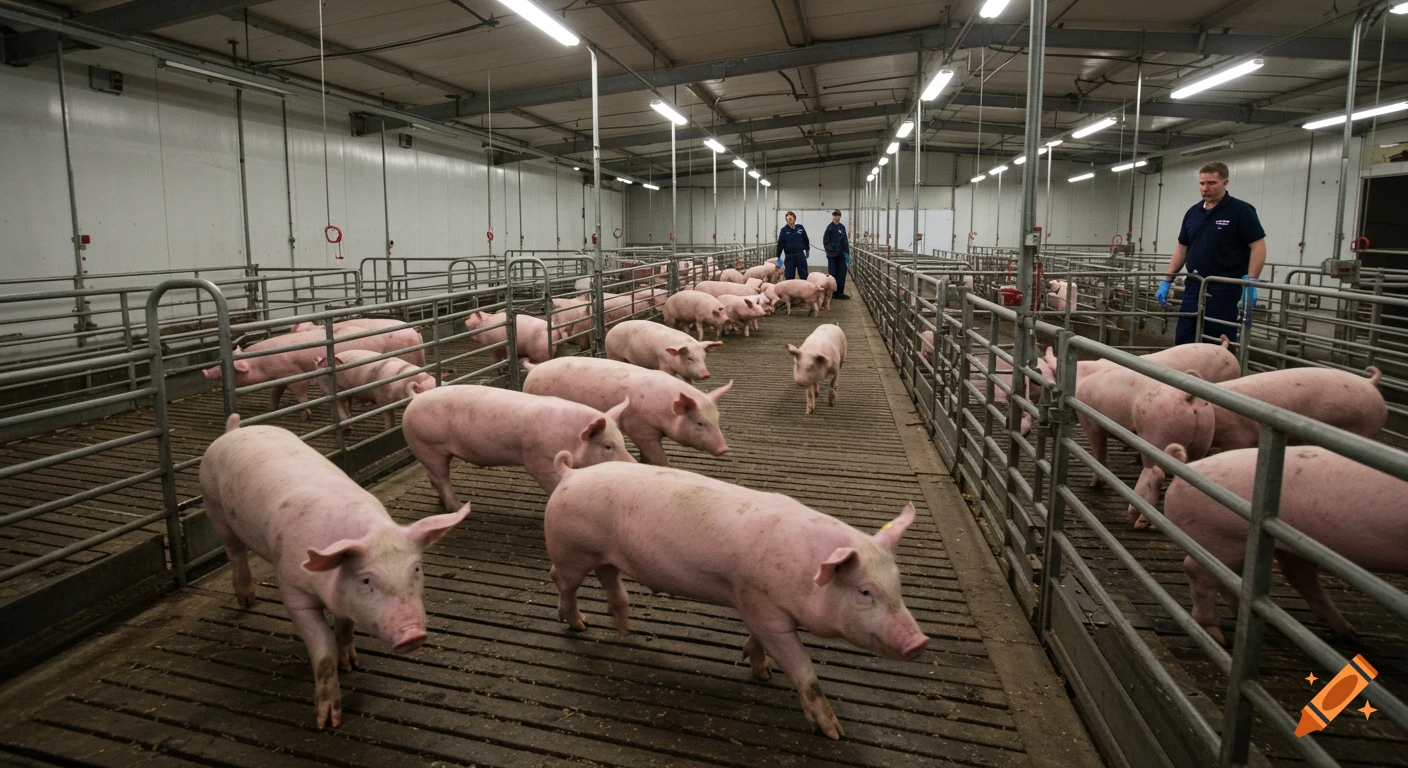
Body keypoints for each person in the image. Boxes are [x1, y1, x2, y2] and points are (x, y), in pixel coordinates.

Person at [1156, 161, 1266, 345]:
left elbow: (1258, 246)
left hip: (1225, 286)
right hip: (1194, 285)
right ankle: (1183, 373)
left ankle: (1221, 373)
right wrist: (1167, 280)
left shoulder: (1241, 210)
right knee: (1185, 336)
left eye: (1211, 183)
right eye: (1202, 183)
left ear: (1225, 183)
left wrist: (1251, 281)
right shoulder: (1193, 212)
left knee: (1219, 339)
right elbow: (1182, 247)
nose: (1205, 188)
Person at [822, 209, 852, 300]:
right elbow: (826, 242)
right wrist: (832, 250)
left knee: (842, 273)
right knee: (833, 274)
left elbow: (845, 241)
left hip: (841, 255)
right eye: (834, 215)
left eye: (837, 215)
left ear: (840, 217)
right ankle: (832, 292)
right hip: (832, 256)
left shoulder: (842, 227)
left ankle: (840, 292)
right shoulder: (829, 228)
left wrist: (847, 253)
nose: (836, 217)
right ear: (832, 217)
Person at [776, 211, 810, 280]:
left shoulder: (800, 228)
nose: (790, 220)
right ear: (786, 220)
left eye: (791, 218)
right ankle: (789, 290)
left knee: (804, 275)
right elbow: (780, 244)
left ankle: (805, 289)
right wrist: (778, 257)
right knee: (789, 276)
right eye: (788, 219)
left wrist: (807, 250)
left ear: (794, 218)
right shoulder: (784, 230)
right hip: (789, 257)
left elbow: (806, 239)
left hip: (800, 255)